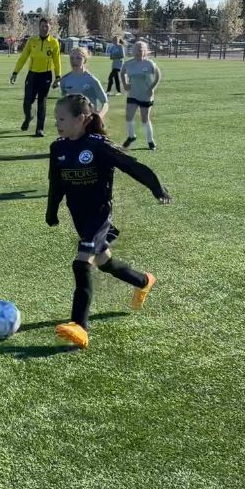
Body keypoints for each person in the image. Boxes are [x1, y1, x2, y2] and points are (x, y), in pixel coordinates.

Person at [46, 94, 172, 349]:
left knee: (82, 262)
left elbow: (132, 166)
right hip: (80, 217)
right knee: (105, 263)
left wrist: (157, 189)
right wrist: (52, 211)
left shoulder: (97, 145)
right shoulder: (58, 147)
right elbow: (56, 183)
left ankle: (80, 327)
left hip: (100, 215)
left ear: (81, 119)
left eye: (62, 118)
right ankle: (143, 281)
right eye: (55, 118)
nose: (57, 123)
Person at [10, 18, 62, 137]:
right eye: (43, 26)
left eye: (47, 26)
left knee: (41, 102)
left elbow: (57, 60)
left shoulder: (54, 42)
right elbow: (23, 57)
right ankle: (28, 117)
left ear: (50, 27)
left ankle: (39, 129)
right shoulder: (32, 41)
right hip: (32, 74)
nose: (45, 28)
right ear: (39, 27)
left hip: (46, 75)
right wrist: (15, 72)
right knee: (27, 101)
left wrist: (58, 76)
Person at [122, 41, 162, 151]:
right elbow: (122, 73)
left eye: (141, 50)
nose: (138, 52)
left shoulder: (149, 64)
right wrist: (125, 84)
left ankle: (150, 141)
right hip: (133, 94)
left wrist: (152, 88)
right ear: (133, 51)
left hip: (145, 95)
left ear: (145, 52)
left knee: (145, 119)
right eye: (136, 50)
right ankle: (131, 136)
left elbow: (158, 75)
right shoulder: (128, 63)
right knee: (128, 116)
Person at [59, 47, 108, 120]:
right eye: (72, 58)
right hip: (71, 122)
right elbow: (65, 101)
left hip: (88, 121)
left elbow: (105, 103)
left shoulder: (92, 80)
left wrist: (99, 117)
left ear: (85, 60)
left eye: (78, 58)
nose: (74, 61)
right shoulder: (64, 80)